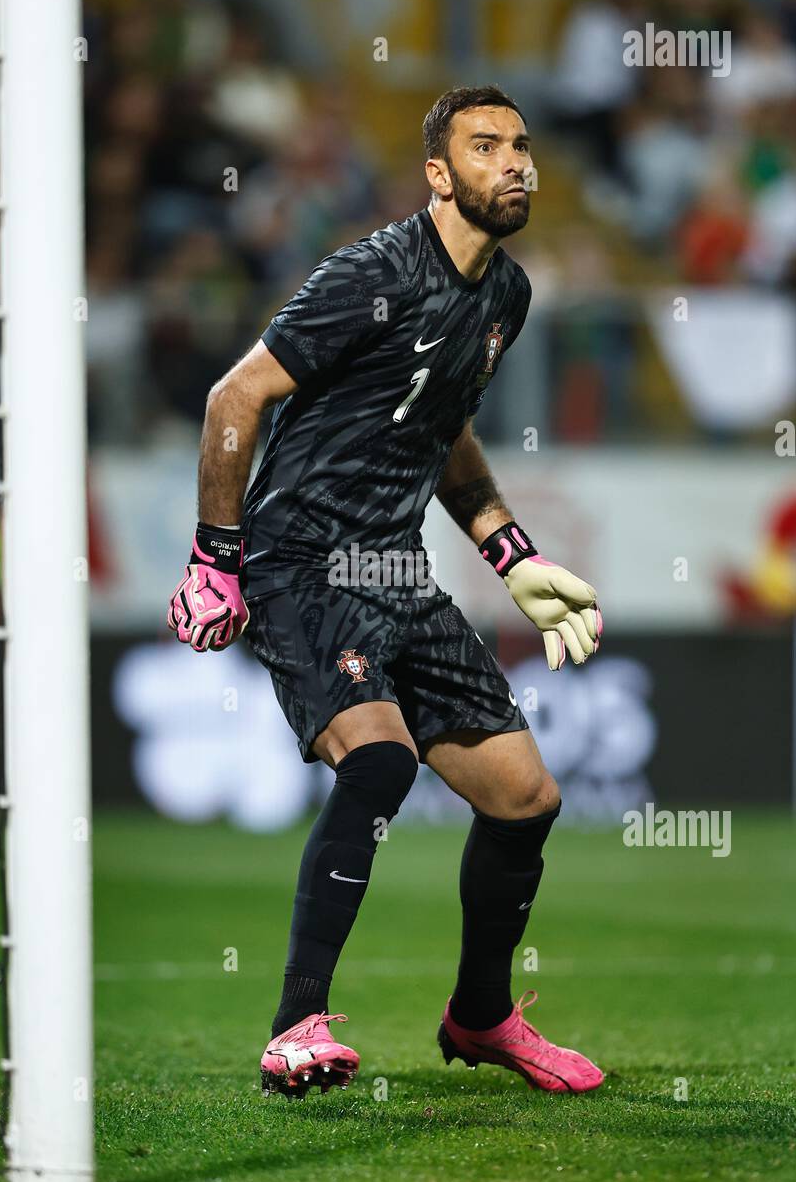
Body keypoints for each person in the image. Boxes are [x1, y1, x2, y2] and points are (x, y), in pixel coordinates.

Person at [168, 85, 604, 1098]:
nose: (516, 163)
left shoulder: (505, 297)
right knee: (378, 761)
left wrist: (511, 555)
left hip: (394, 566)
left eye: (522, 145)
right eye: (485, 146)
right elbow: (235, 394)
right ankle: (293, 1026)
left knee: (523, 796)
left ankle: (482, 1013)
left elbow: (442, 429)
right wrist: (213, 555)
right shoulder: (371, 273)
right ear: (439, 174)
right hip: (299, 557)